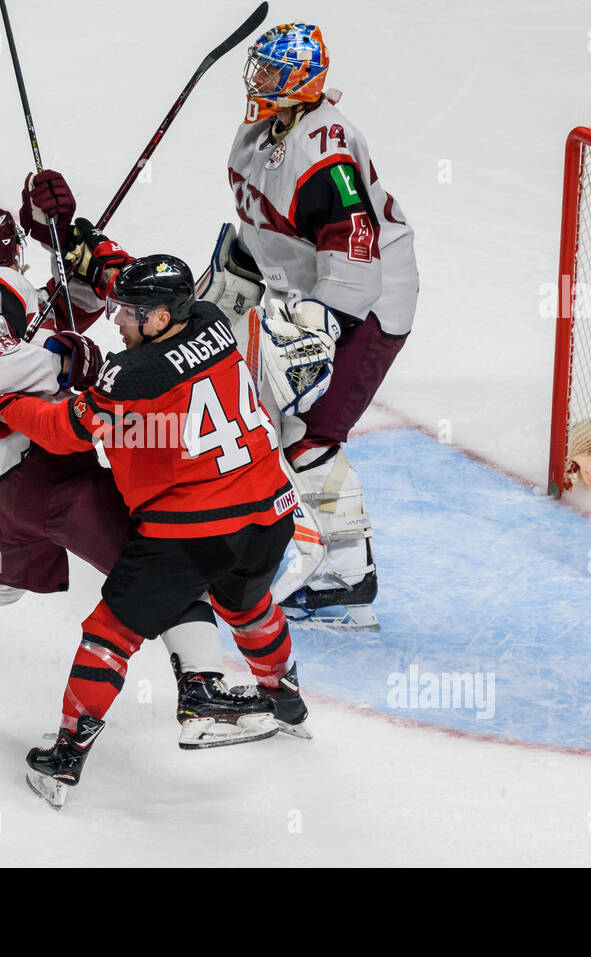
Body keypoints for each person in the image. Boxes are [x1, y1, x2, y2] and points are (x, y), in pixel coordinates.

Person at [0, 178, 275, 750]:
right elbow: (2, 368)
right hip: (48, 474)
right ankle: (202, 692)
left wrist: (62, 234)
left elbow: (82, 303)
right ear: (13, 251)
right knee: (170, 574)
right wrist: (74, 358)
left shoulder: (13, 296)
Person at [0, 254, 312, 808]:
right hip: (270, 514)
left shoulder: (131, 376)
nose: (116, 320)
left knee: (111, 632)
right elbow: (145, 283)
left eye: (128, 313)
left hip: (192, 530)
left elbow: (65, 431)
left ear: (158, 318)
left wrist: (3, 406)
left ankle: (63, 758)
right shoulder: (209, 320)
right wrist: (91, 250)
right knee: (247, 607)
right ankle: (286, 700)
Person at [196, 22, 419, 627]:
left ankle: (349, 574)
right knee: (269, 419)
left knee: (310, 431)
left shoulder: (326, 154)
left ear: (299, 81)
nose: (257, 81)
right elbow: (260, 223)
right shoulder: (265, 128)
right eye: (258, 69)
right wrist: (230, 287)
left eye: (270, 72)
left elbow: (356, 251)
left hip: (368, 301)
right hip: (304, 292)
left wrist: (317, 332)